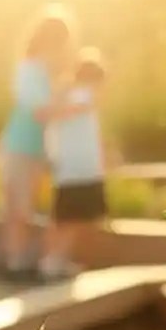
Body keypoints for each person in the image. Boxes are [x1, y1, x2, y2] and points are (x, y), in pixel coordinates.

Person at [0, 4, 76, 281]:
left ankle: (19, 260)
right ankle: (13, 262)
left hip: (36, 147)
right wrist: (66, 103)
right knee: (17, 206)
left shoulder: (45, 72)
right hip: (20, 144)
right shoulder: (28, 69)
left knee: (26, 206)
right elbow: (38, 109)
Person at [41, 47, 108, 281]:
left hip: (76, 167)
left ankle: (57, 259)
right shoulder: (80, 96)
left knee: (68, 217)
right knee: (70, 218)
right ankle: (53, 260)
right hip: (77, 169)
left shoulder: (70, 96)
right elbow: (63, 113)